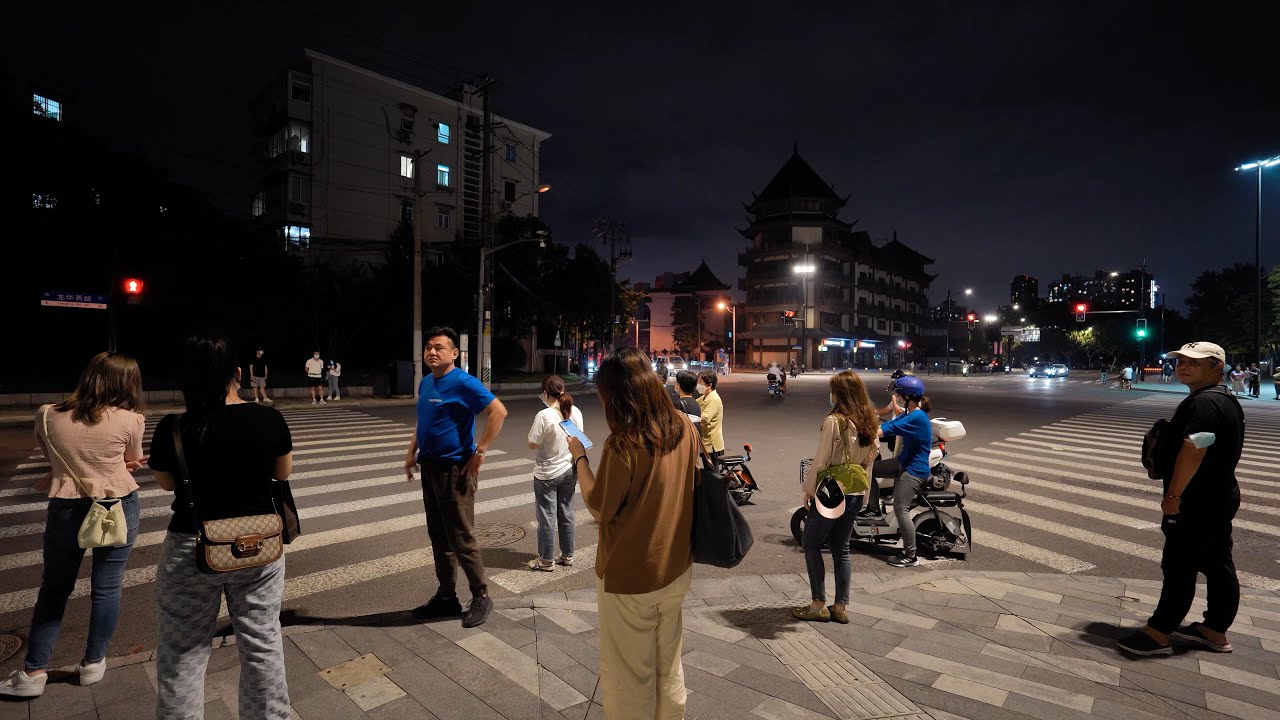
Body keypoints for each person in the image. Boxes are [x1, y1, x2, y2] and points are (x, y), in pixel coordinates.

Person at [147, 336, 293, 718]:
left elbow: (167, 483)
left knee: (183, 654)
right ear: (239, 373)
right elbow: (282, 473)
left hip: (191, 548)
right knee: (262, 645)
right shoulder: (270, 418)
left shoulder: (173, 428)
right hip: (257, 544)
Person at [1, 353, 146, 699]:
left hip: (66, 505)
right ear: (127, 384)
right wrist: (127, 465)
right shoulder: (130, 419)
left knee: (54, 588)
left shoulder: (48, 414)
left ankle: (33, 671)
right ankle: (93, 663)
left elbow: (50, 455)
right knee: (107, 587)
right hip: (115, 505)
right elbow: (130, 460)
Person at [566, 347, 698, 719]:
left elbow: (598, 506)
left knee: (629, 676)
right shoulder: (683, 425)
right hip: (675, 566)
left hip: (629, 577)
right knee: (668, 662)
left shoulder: (624, 443)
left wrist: (579, 456)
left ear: (617, 396)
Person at [1117, 341, 1244, 657]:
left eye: (1195, 362)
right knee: (1217, 564)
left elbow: (1194, 448)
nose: (1184, 366)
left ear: (1217, 366)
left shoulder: (1204, 404)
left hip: (1196, 500)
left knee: (1179, 565)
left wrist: (1174, 495)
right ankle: (1214, 629)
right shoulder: (1225, 399)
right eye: (1181, 361)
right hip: (1219, 495)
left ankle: (1159, 632)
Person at [403, 326, 508, 627]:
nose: (431, 352)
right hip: (430, 468)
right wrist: (412, 451)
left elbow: (498, 412)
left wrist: (480, 451)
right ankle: (447, 597)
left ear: (454, 353)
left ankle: (482, 596)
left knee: (461, 537)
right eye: (428, 347)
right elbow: (423, 421)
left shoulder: (463, 382)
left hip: (454, 470)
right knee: (439, 538)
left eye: (438, 347)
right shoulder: (426, 383)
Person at [792, 371, 879, 624]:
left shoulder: (835, 421)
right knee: (842, 549)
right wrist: (864, 495)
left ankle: (818, 603)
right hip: (854, 491)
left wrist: (809, 491)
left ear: (839, 394)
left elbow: (821, 460)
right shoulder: (869, 420)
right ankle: (840, 606)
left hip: (832, 493)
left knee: (811, 544)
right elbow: (869, 461)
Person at [525, 375, 584, 572]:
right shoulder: (575, 411)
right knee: (567, 512)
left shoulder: (544, 415)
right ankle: (567, 556)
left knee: (546, 517)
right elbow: (579, 439)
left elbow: (532, 444)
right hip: (569, 469)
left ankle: (546, 561)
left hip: (548, 473)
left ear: (545, 393)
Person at [878, 375, 933, 568]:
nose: (897, 396)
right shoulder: (909, 413)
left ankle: (911, 555)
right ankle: (871, 511)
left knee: (901, 509)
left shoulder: (917, 417)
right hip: (903, 462)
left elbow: (889, 429)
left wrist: (865, 432)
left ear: (909, 396)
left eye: (899, 393)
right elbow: (887, 424)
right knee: (870, 469)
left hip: (914, 470)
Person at [695, 370, 724, 462]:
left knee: (712, 473)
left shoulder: (713, 399)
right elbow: (693, 404)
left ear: (709, 385)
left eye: (700, 383)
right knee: (709, 472)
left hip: (712, 444)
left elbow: (705, 418)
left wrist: (691, 416)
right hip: (705, 442)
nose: (698, 385)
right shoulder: (704, 396)